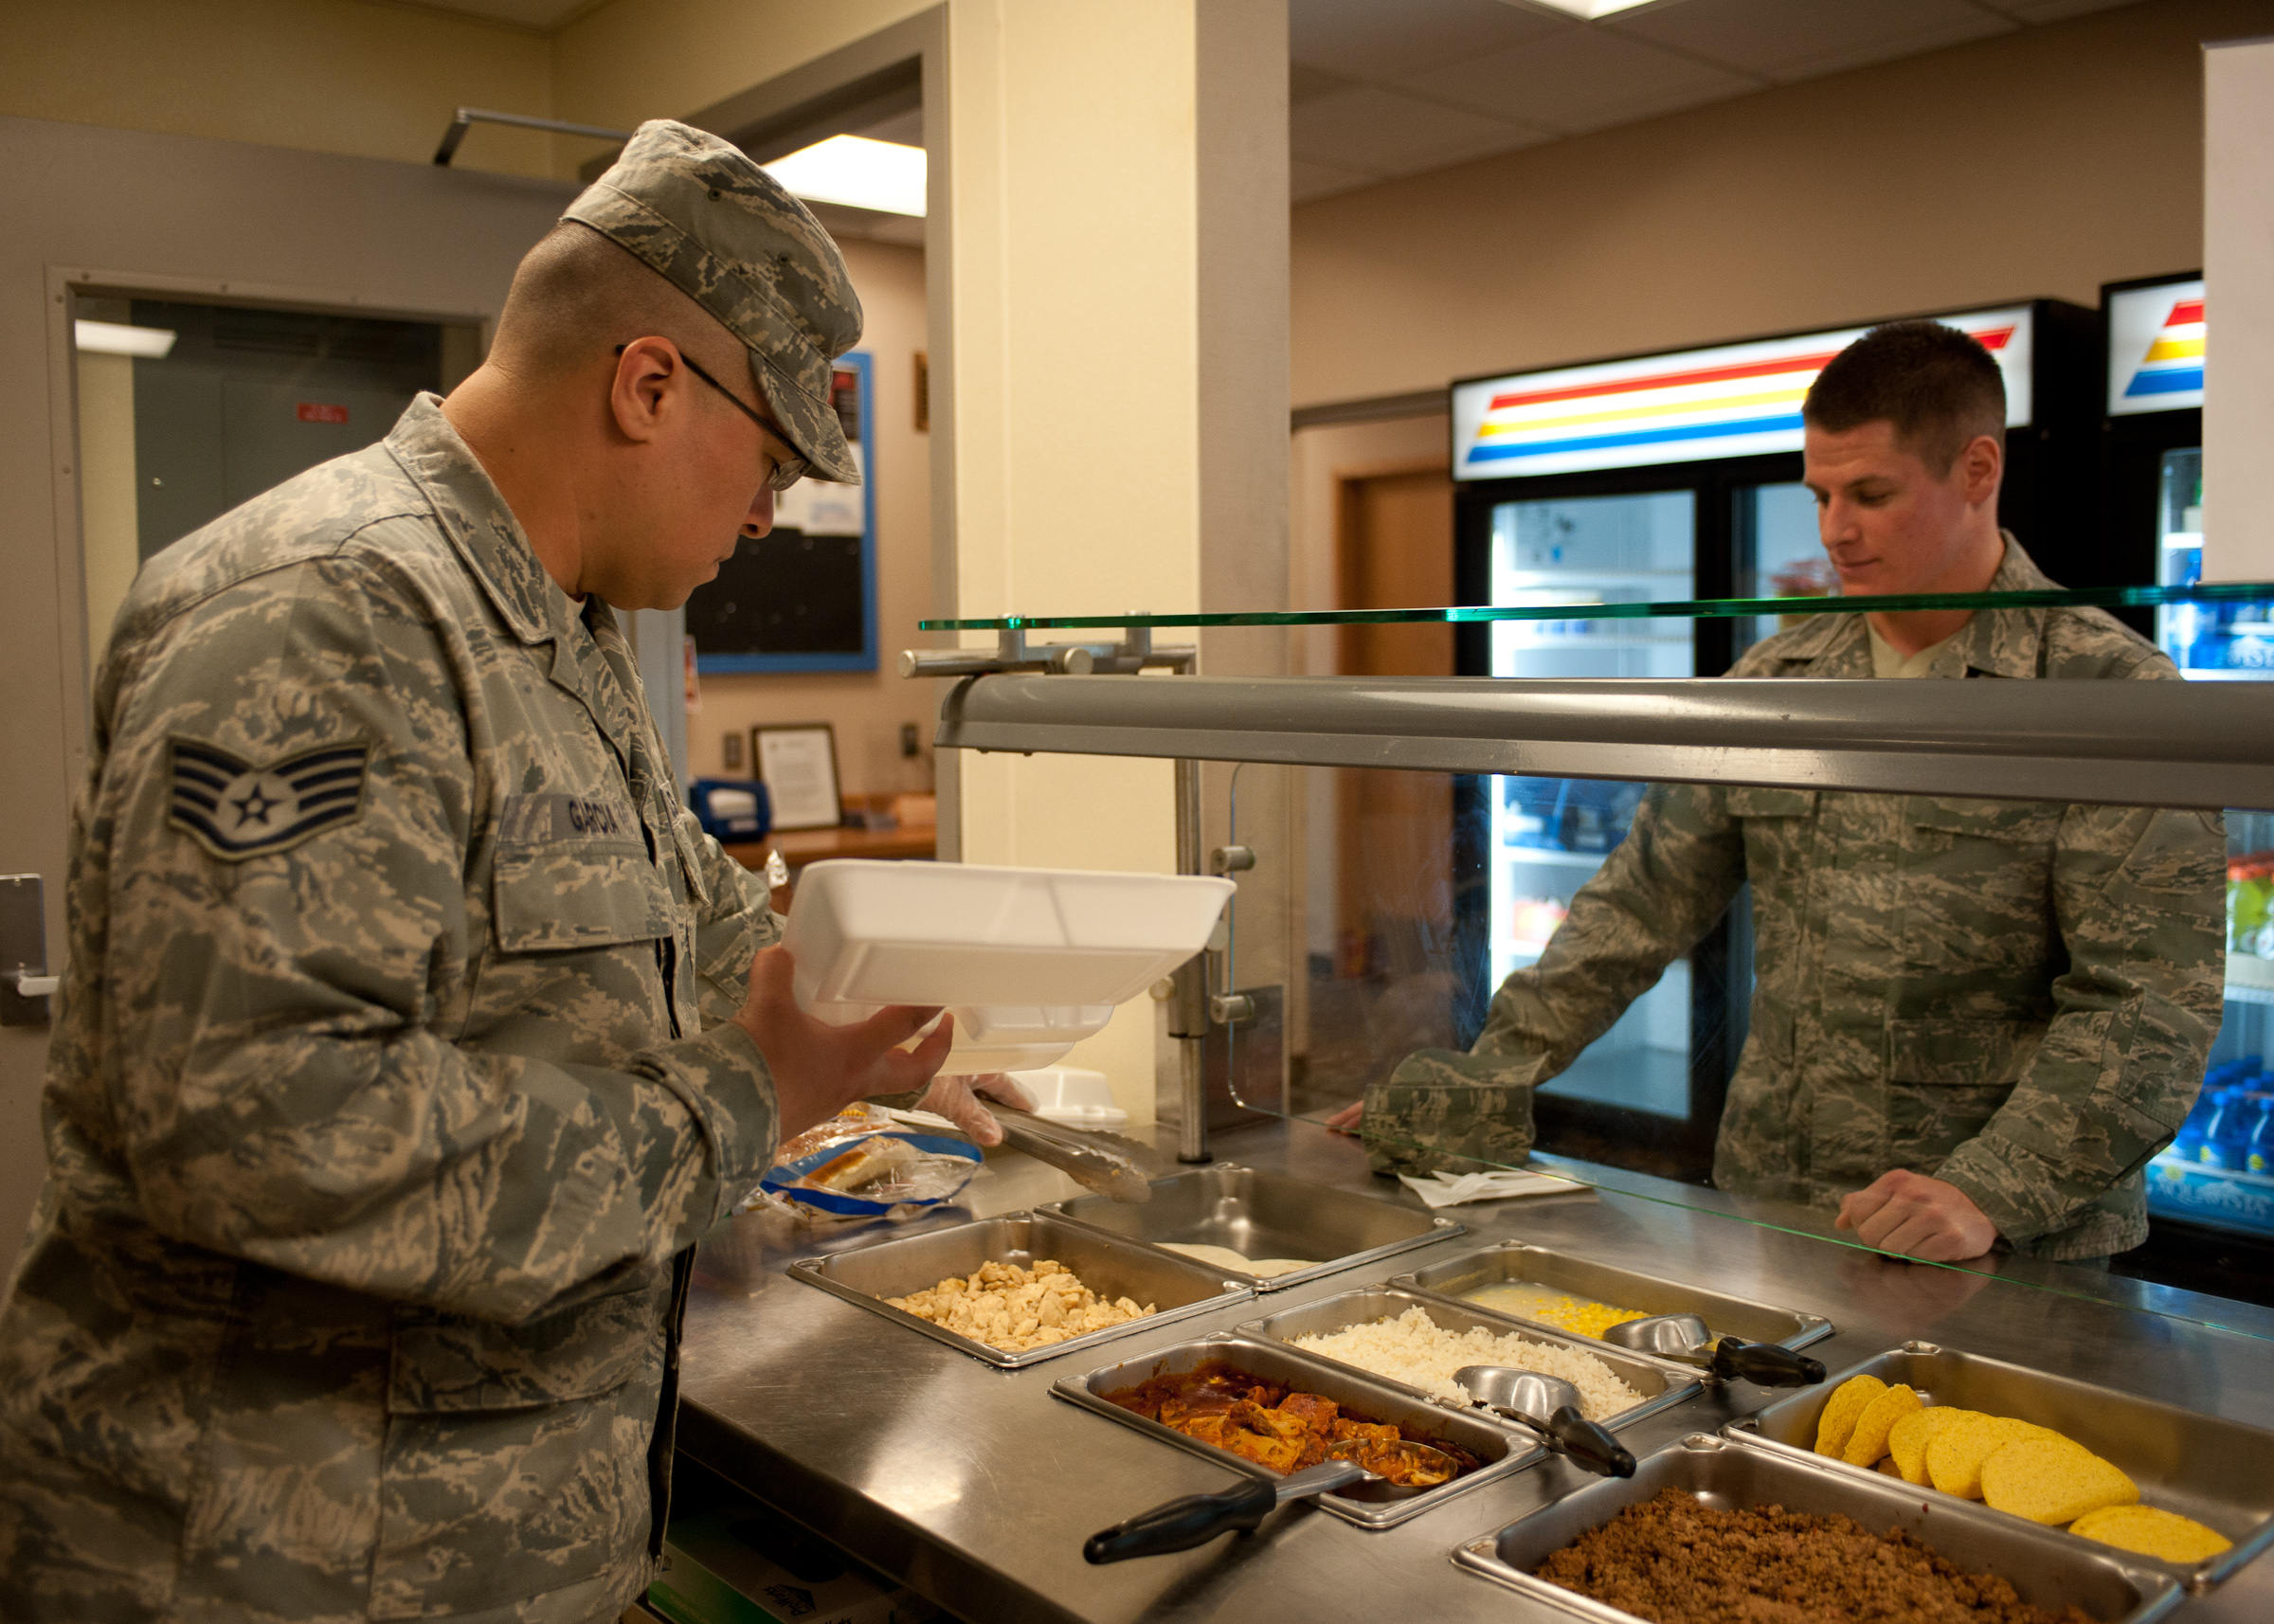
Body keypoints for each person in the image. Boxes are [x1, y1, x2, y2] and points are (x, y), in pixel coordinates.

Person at [0, 120, 1015, 1622]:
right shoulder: (329, 615)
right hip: (272, 1565)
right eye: (772, 463)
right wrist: (747, 1099)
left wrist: (871, 1020)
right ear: (648, 382)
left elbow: (686, 911)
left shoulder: (559, 626)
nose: (765, 515)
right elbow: (258, 1129)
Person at [1333, 321, 2224, 1267]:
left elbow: (2150, 1002)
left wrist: (1991, 1185)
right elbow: (1639, 902)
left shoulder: (2103, 696)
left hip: (2006, 1242)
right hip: (1782, 1206)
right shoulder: (1781, 681)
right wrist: (1482, 1076)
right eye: (1822, 495)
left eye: (1872, 494)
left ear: (1977, 470)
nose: (1837, 529)